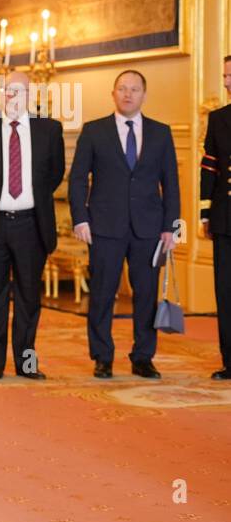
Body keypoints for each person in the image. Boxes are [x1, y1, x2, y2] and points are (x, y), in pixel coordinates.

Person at [69, 69, 180, 378]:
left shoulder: (160, 132)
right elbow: (78, 179)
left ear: (144, 94)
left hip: (149, 228)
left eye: (134, 89)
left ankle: (143, 356)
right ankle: (102, 356)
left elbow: (171, 183)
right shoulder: (94, 131)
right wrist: (80, 218)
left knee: (146, 295)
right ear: (113, 93)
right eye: (122, 89)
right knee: (103, 293)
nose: (128, 94)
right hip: (104, 227)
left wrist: (172, 227)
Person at [0, 70, 66, 379]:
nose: (13, 96)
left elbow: (53, 175)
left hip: (31, 226)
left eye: (19, 91)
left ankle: (26, 363)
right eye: (8, 91)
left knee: (29, 299)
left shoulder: (49, 130)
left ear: (30, 96)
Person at [200, 55, 231, 380]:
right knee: (225, 291)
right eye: (224, 75)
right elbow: (208, 169)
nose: (225, 82)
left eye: (229, 75)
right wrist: (205, 212)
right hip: (226, 218)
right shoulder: (218, 118)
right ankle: (230, 360)